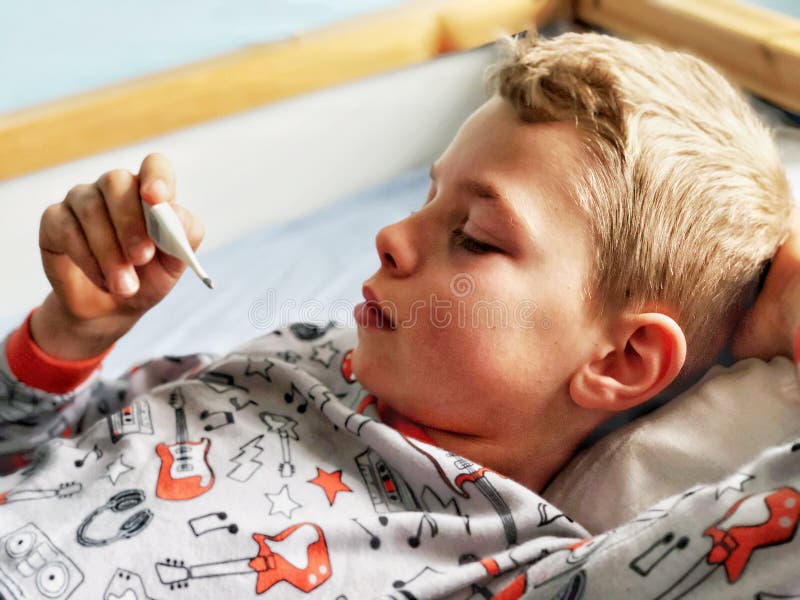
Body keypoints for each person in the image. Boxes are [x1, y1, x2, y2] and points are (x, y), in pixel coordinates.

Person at [0, 31, 797, 598]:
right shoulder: (300, 353)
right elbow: (21, 457)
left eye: (475, 237)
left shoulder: (514, 564)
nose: (390, 238)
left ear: (619, 361)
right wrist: (68, 340)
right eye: (426, 197)